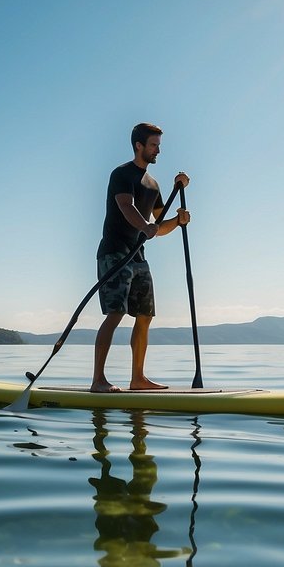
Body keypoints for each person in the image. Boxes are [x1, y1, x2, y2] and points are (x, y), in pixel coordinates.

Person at [91, 122, 191, 393]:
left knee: (145, 315)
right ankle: (98, 380)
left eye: (159, 145)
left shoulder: (153, 184)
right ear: (139, 146)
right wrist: (145, 226)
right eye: (154, 145)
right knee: (116, 312)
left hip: (138, 255)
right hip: (114, 252)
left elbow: (158, 226)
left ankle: (138, 379)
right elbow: (126, 206)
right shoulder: (122, 174)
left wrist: (178, 221)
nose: (158, 149)